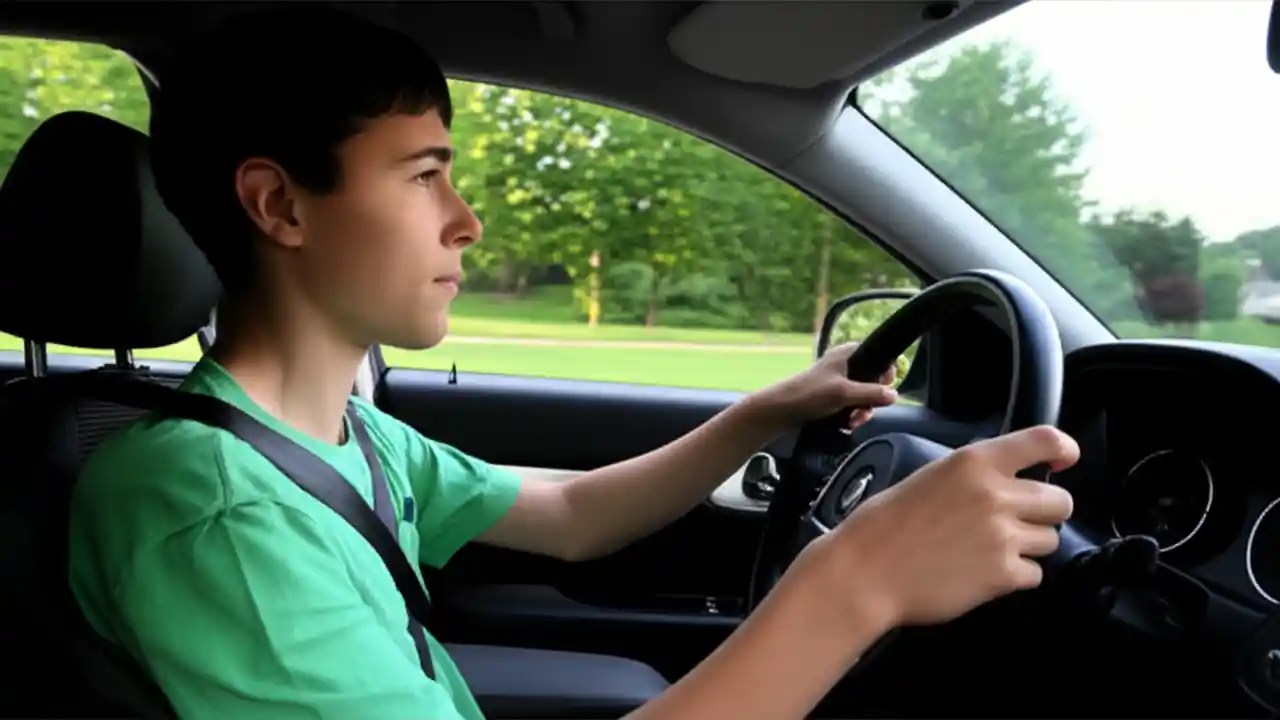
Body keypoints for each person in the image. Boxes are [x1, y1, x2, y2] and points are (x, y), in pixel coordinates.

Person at [68, 6, 1077, 720]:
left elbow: (571, 515)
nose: (466, 222)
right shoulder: (215, 512)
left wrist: (768, 410)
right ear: (280, 206)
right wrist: (857, 580)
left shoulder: (343, 434)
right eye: (423, 177)